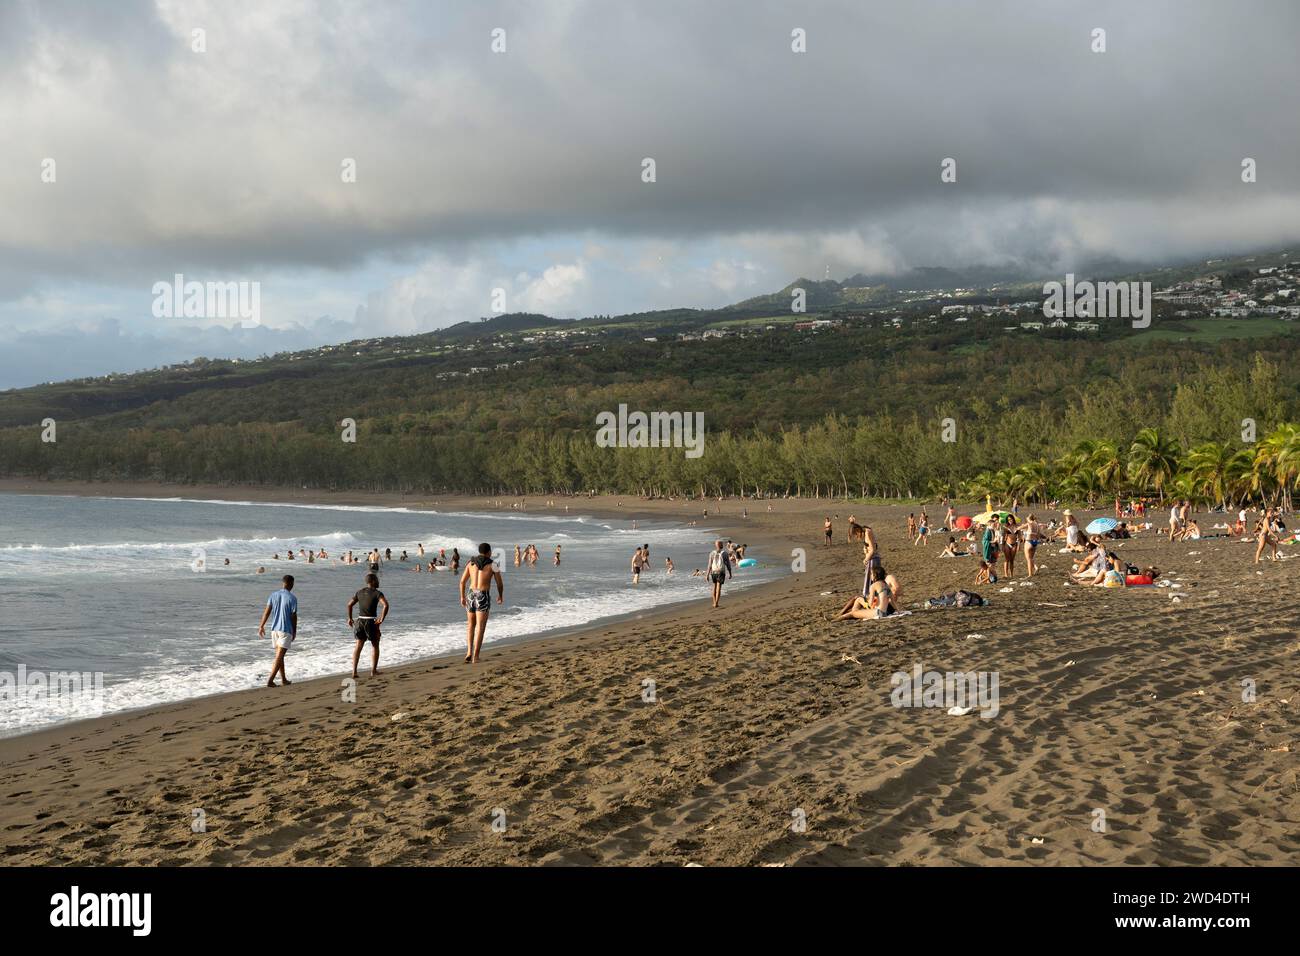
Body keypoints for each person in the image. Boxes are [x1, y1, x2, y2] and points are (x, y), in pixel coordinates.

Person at [459, 543, 504, 663]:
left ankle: (469, 651)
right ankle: (476, 656)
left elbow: (462, 582)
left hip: (470, 594)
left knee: (470, 625)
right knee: (480, 627)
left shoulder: (470, 563)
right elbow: (499, 583)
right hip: (482, 595)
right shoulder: (493, 564)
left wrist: (462, 597)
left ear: (479, 551)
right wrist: (500, 596)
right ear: (489, 552)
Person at [346, 573, 389, 678]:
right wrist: (382, 618)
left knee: (358, 646)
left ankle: (354, 672)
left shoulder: (359, 592)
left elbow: (349, 604)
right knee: (375, 645)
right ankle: (373, 671)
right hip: (371, 622)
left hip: (360, 621)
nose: (379, 581)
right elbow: (385, 605)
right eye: (377, 579)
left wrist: (350, 618)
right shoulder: (377, 593)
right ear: (373, 581)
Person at [257, 575, 297, 687]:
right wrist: (294, 631)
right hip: (286, 629)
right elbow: (294, 616)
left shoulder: (273, 595)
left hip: (274, 629)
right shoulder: (292, 598)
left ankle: (284, 679)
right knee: (279, 657)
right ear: (291, 584)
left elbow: (267, 612)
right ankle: (270, 680)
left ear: (283, 583)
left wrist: (261, 626)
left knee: (280, 656)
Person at [706, 539, 732, 609]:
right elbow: (728, 565)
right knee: (719, 588)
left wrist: (707, 575)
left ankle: (714, 602)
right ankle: (716, 603)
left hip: (714, 572)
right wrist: (730, 573)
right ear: (721, 545)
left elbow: (709, 565)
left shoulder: (711, 553)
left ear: (715, 545)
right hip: (721, 571)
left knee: (714, 587)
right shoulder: (725, 553)